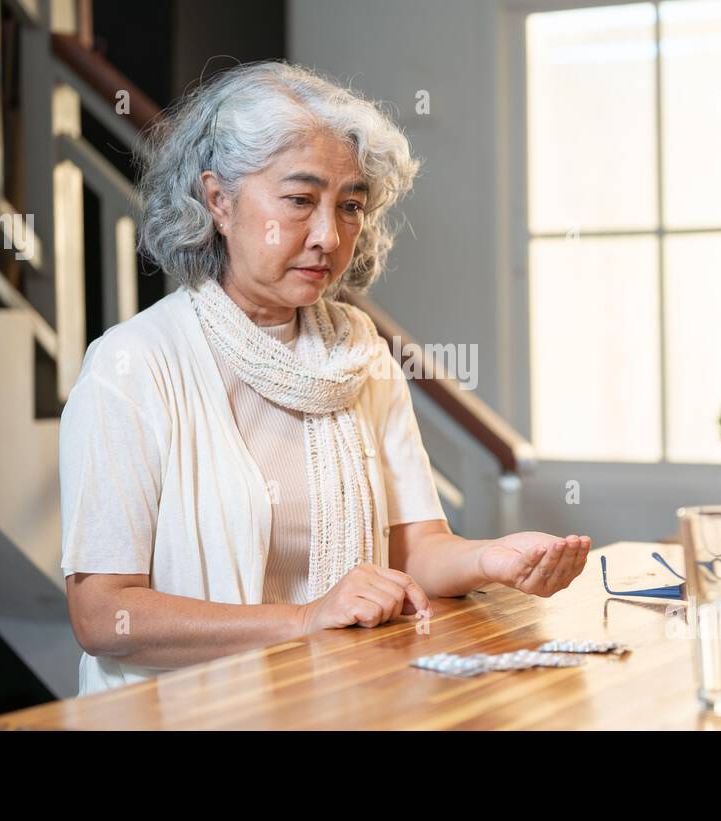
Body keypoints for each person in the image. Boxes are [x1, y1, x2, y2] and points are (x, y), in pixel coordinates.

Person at [60, 61, 590, 695]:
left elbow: (413, 548)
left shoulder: (358, 351)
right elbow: (102, 617)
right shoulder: (134, 364)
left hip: (336, 699)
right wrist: (306, 619)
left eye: (351, 207)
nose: (328, 235)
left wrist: (492, 559)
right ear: (219, 201)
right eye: (301, 200)